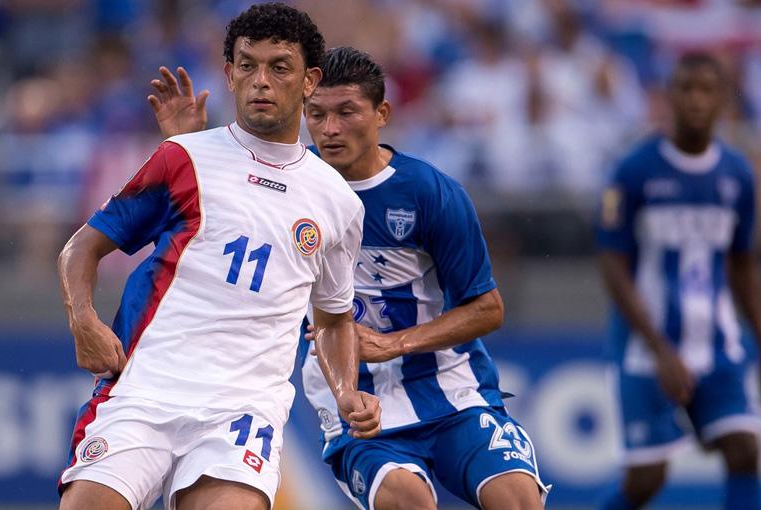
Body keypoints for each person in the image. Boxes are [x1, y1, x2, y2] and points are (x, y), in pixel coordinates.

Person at [149, 47, 548, 510]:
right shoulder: (286, 183)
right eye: (315, 114)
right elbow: (209, 221)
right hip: (353, 401)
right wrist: (191, 151)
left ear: (382, 113)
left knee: (518, 501)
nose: (329, 129)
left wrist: (392, 344)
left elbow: (487, 308)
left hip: (453, 391)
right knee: (409, 501)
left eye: (346, 112)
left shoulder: (430, 193)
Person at [56, 4, 381, 510]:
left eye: (279, 67)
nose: (260, 81)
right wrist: (83, 321)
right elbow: (83, 246)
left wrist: (344, 391)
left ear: (310, 80)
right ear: (229, 73)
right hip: (144, 389)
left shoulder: (337, 202)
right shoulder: (184, 156)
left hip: (242, 410)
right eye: (247, 65)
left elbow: (334, 319)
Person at [594, 53, 761, 510]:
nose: (696, 100)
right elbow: (611, 264)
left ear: (723, 99)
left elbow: (744, 266)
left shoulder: (738, 174)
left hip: (717, 344)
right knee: (646, 480)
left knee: (745, 450)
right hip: (647, 350)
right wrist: (661, 349)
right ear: (669, 96)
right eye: (685, 89)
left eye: (706, 90)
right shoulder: (633, 171)